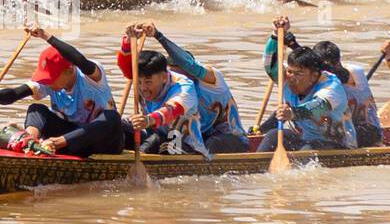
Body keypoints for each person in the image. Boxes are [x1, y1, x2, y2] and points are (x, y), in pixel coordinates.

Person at [0, 25, 122, 157]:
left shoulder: (92, 78)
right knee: (36, 109)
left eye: (52, 78)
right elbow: (15, 94)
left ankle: (55, 143)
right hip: (74, 142)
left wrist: (46, 36)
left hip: (103, 143)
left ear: (69, 70)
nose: (47, 82)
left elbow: (79, 59)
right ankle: (29, 141)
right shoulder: (48, 84)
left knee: (112, 117)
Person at [133, 21, 246, 154]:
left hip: (226, 137)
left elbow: (190, 65)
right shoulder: (164, 88)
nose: (177, 78)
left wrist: (158, 36)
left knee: (211, 144)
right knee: (155, 140)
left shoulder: (213, 80)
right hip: (188, 139)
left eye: (182, 72)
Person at [257, 17, 356, 152]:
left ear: (314, 75)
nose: (291, 78)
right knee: (274, 135)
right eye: (290, 71)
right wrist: (275, 34)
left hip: (340, 146)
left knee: (308, 149)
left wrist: (291, 113)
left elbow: (317, 108)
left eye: (298, 74)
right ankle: (257, 168)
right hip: (306, 139)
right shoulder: (286, 78)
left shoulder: (331, 86)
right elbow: (270, 66)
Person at [119, 43, 208, 156]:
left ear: (164, 77)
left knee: (156, 140)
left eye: (148, 82)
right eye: (139, 82)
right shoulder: (141, 84)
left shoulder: (184, 87)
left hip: (183, 145)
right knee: (118, 125)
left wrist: (148, 120)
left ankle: (136, 159)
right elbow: (124, 66)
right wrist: (126, 42)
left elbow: (170, 111)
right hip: (152, 135)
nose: (142, 88)